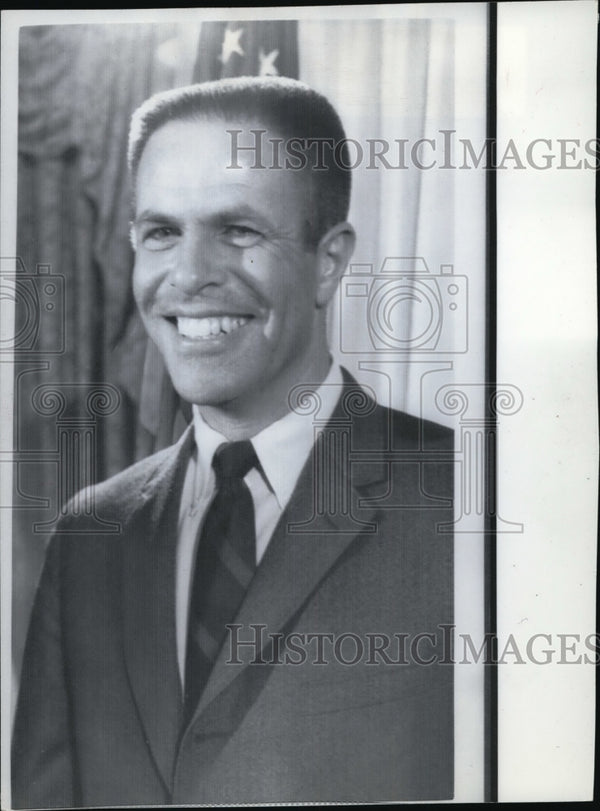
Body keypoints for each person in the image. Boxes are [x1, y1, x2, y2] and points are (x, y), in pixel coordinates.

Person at [12, 77, 454, 807]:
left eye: (239, 230)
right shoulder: (88, 534)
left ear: (328, 261)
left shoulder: (468, 500)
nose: (187, 276)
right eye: (161, 232)